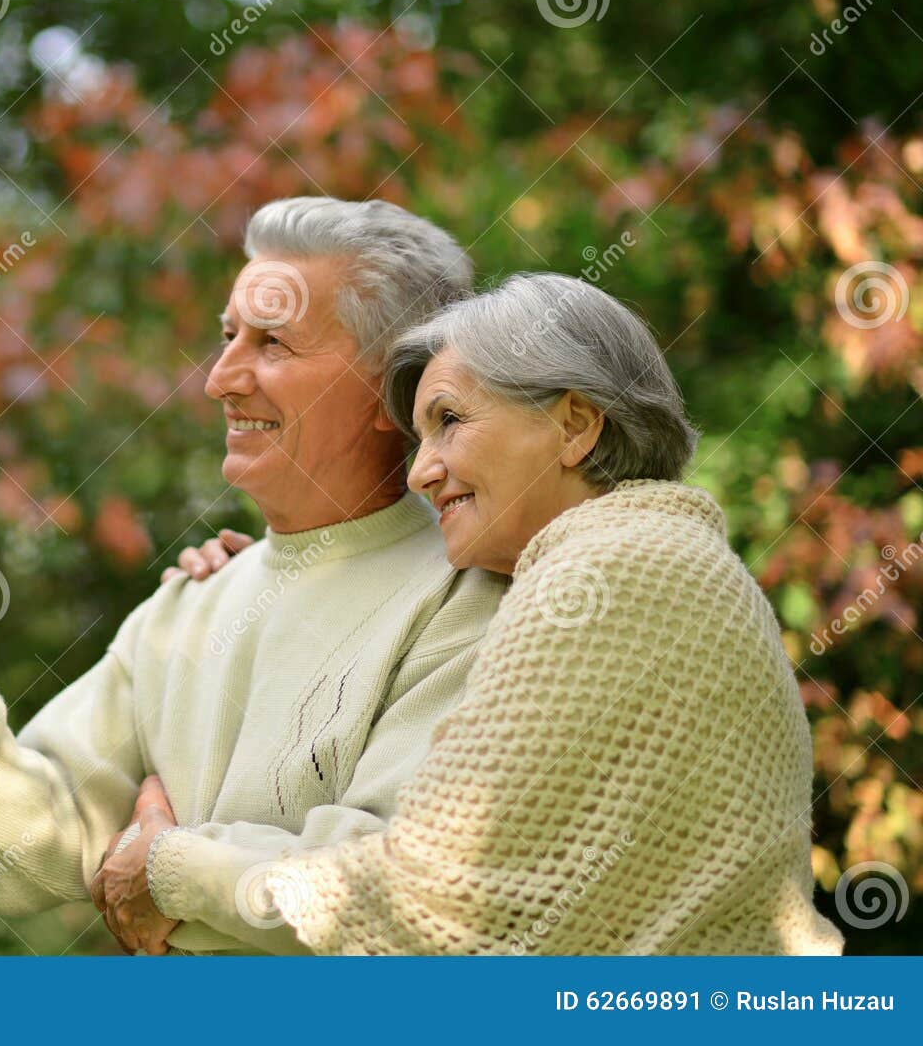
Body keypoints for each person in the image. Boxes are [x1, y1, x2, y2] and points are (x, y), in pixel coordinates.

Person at [0, 197, 508, 954]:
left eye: (272, 343)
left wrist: (166, 864)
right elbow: (21, 850)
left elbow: (397, 897)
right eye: (227, 336)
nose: (221, 379)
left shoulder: (473, 597)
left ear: (394, 389)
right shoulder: (185, 606)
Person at [159, 272, 844, 954]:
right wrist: (274, 583)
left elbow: (428, 902)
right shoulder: (649, 561)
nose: (420, 471)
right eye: (420, 437)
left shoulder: (608, 574)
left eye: (449, 421)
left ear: (573, 424)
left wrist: (173, 869)